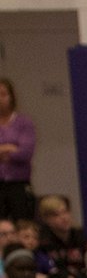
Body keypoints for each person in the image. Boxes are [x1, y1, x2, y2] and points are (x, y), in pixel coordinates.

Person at [0, 78, 36, 222]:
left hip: (18, 184)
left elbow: (25, 153)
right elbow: (15, 151)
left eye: (3, 94)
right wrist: (8, 148)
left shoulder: (24, 123)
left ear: (11, 97)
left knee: (22, 223)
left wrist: (12, 153)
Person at [35, 197, 87, 278]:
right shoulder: (42, 242)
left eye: (65, 212)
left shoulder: (80, 236)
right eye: (56, 215)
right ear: (46, 219)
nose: (64, 217)